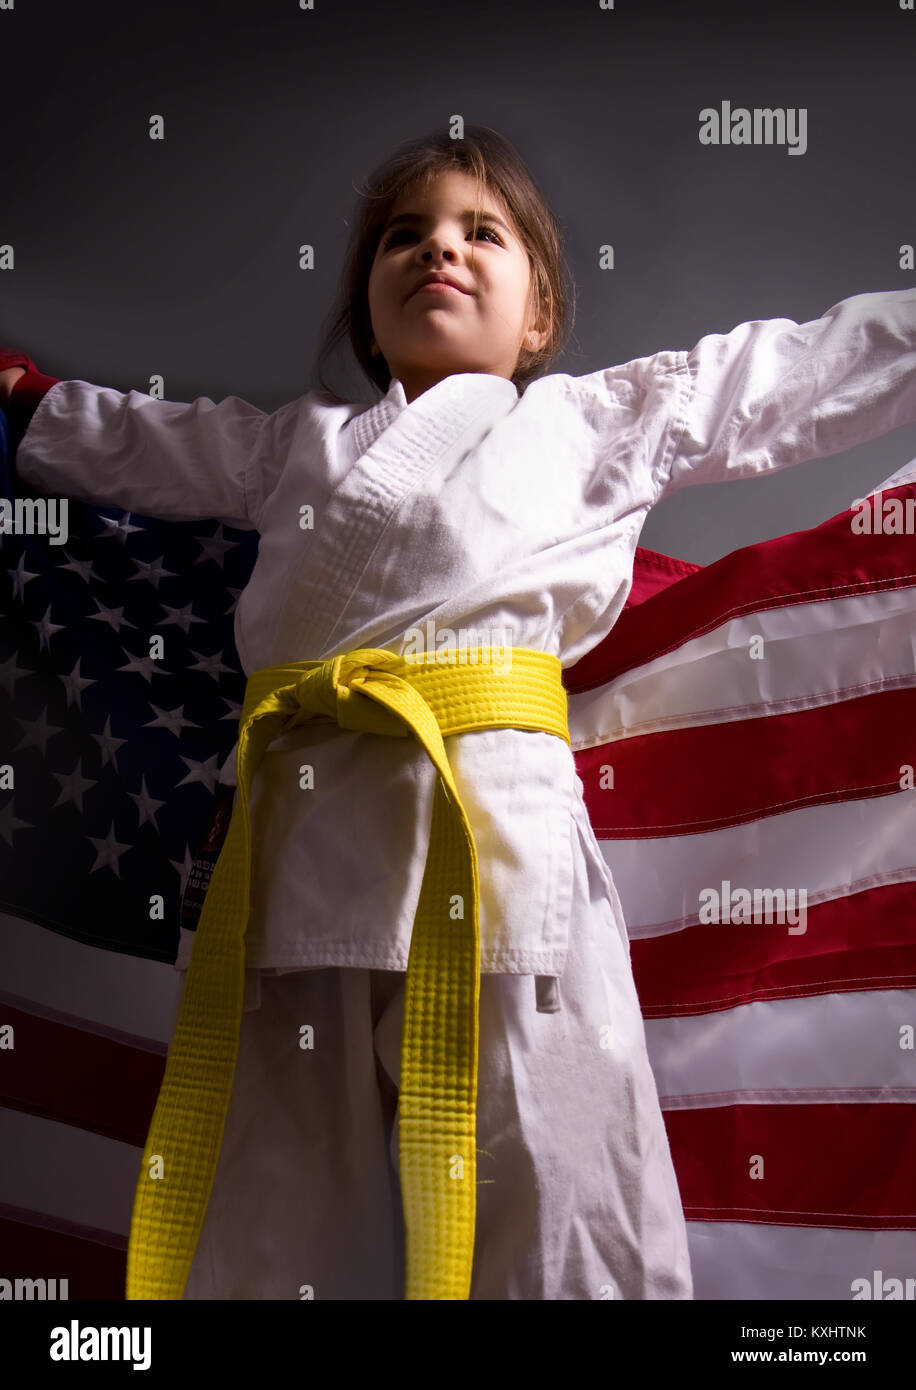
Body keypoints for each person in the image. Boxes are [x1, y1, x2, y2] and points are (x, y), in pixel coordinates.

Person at [2, 124, 915, 1301]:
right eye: (404, 235)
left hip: (493, 861)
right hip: (299, 869)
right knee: (279, 1228)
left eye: (480, 231)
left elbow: (785, 370)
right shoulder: (296, 446)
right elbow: (143, 441)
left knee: (563, 1199)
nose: (439, 248)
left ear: (538, 316)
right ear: (365, 306)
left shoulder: (596, 419)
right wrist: (28, 402)